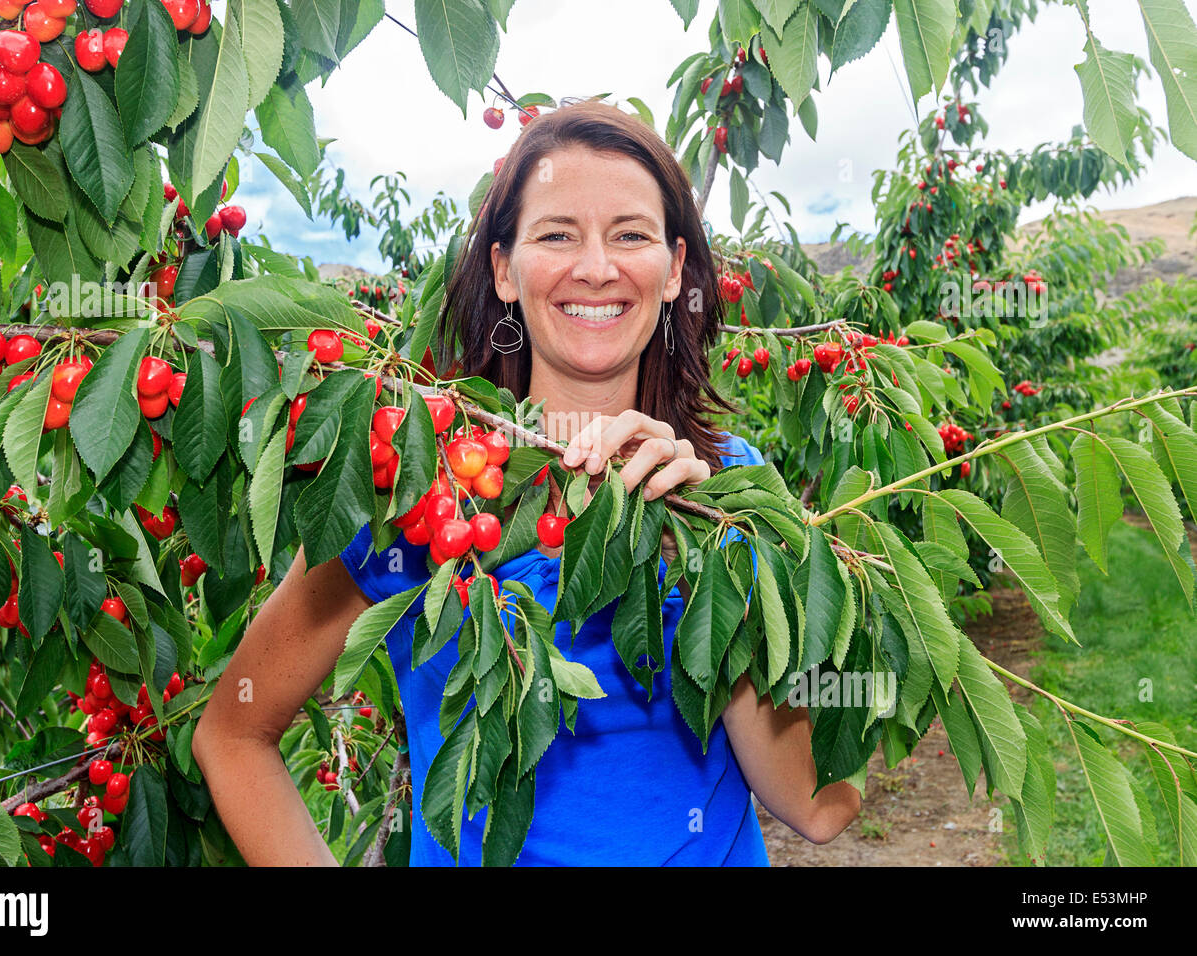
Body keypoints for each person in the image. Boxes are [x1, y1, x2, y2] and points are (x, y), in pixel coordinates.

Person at [193, 99, 862, 866]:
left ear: (675, 270)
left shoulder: (730, 490)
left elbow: (821, 805)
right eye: (556, 235)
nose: (597, 268)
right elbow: (234, 730)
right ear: (505, 269)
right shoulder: (424, 491)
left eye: (631, 235)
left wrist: (714, 558)